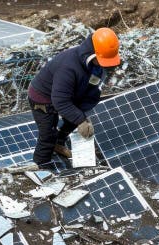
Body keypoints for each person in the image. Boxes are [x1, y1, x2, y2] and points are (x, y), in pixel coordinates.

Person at [27, 27, 121, 168]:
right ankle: (41, 166)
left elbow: (91, 86)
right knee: (47, 136)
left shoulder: (94, 65)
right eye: (101, 60)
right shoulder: (69, 66)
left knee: (75, 117)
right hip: (42, 98)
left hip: (69, 93)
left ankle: (59, 144)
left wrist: (82, 114)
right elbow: (60, 100)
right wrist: (80, 120)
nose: (103, 64)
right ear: (93, 54)